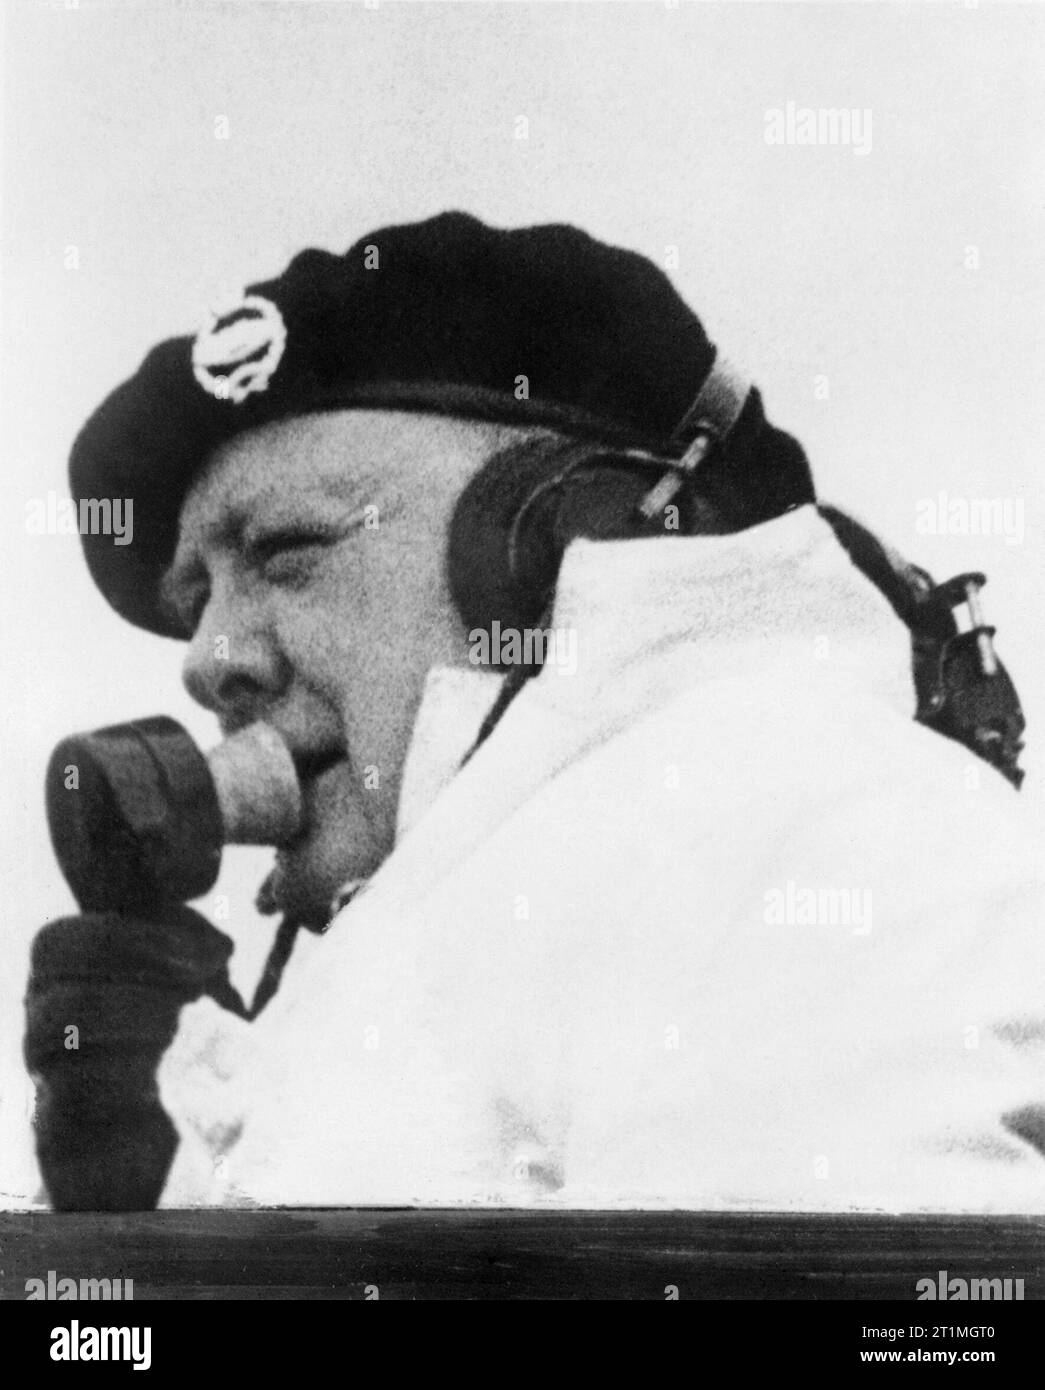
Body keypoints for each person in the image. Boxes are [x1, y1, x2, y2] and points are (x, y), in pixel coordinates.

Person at [32, 212, 1045, 1210]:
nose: (209, 663)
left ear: (560, 537)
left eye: (289, 553)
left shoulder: (808, 830)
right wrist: (168, 1197)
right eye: (194, 600)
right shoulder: (466, 934)